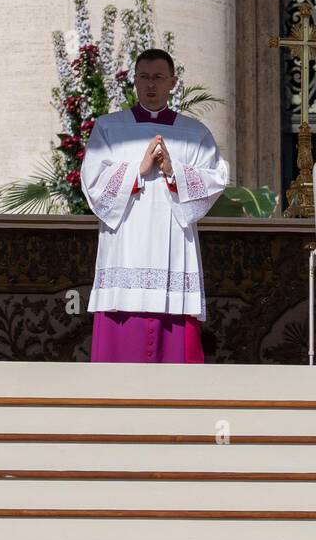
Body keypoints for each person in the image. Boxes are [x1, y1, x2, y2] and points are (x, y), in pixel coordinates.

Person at [81, 48, 227, 363]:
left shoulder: (194, 133)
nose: (151, 85)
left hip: (172, 248)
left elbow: (216, 178)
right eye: (144, 77)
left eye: (159, 78)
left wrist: (174, 172)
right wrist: (138, 170)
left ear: (172, 82)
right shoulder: (108, 128)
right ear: (134, 81)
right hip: (125, 248)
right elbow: (92, 183)